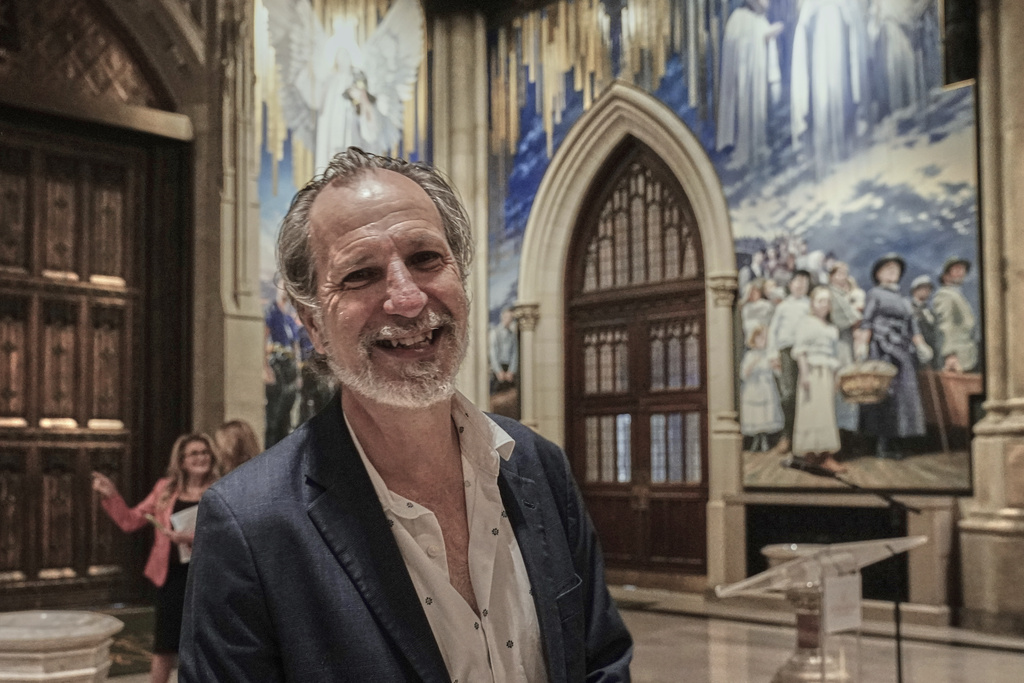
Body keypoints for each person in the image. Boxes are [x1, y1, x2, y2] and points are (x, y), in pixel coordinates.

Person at [179, 148, 633, 682]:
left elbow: (600, 661)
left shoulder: (538, 465)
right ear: (313, 325)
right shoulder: (249, 525)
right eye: (360, 275)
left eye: (425, 259)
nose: (408, 298)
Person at [91, 433, 219, 683]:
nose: (201, 458)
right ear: (182, 461)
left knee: (205, 643)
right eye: (194, 453)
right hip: (172, 576)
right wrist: (111, 495)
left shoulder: (219, 488)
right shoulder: (165, 489)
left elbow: (226, 532)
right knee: (164, 644)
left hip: (207, 576)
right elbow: (130, 521)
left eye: (205, 452)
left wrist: (192, 538)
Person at [855, 253, 929, 459]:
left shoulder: (904, 301)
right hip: (882, 349)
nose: (892, 272)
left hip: (902, 351)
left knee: (903, 396)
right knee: (884, 394)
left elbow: (912, 326)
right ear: (878, 274)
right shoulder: (875, 294)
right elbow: (867, 321)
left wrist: (921, 345)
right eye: (887, 268)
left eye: (895, 269)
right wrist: (862, 345)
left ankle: (898, 439)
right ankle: (881, 444)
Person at [716, 0, 784, 167]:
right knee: (743, 99)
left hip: (757, 68)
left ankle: (757, 144)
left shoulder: (759, 20)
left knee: (758, 99)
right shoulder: (739, 19)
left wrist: (768, 35)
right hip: (743, 71)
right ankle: (743, 147)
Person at [792, 287, 845, 472]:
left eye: (827, 301)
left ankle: (825, 455)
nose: (824, 305)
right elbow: (800, 351)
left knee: (825, 412)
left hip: (827, 373)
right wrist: (805, 374)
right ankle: (810, 454)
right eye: (820, 301)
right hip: (812, 372)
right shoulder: (806, 323)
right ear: (812, 304)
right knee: (810, 411)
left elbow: (834, 354)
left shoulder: (831, 328)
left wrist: (836, 376)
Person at [766, 269, 812, 455]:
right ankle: (787, 436)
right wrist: (772, 354)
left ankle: (806, 439)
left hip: (808, 353)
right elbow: (773, 331)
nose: (800, 285)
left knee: (808, 395)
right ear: (790, 284)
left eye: (804, 282)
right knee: (788, 395)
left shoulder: (811, 305)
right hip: (787, 351)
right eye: (797, 281)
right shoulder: (783, 307)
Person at [264, 288, 301, 447]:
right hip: (277, 364)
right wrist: (265, 367)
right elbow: (264, 337)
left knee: (287, 411)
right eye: (282, 288)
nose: (285, 292)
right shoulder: (272, 311)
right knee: (274, 412)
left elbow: (296, 346)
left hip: (290, 367)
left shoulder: (289, 318)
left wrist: (298, 373)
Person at [740, 324, 784, 452]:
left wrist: (776, 366)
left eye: (765, 338)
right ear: (753, 339)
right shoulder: (750, 355)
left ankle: (765, 440)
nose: (763, 341)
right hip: (754, 387)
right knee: (755, 413)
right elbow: (744, 374)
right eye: (760, 338)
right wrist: (753, 363)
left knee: (766, 413)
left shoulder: (769, 355)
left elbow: (778, 373)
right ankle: (755, 441)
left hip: (767, 387)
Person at [931, 256, 978, 373]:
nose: (961, 272)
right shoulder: (945, 295)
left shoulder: (957, 295)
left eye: (963, 269)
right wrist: (950, 354)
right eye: (956, 269)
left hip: (966, 356)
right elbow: (945, 324)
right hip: (956, 358)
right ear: (945, 276)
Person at [488, 306, 519, 395]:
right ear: (502, 317)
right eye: (507, 317)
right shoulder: (495, 332)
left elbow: (514, 353)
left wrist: (511, 371)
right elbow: (493, 353)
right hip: (498, 368)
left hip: (509, 368)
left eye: (511, 318)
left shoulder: (512, 335)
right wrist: (498, 371)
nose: (508, 320)